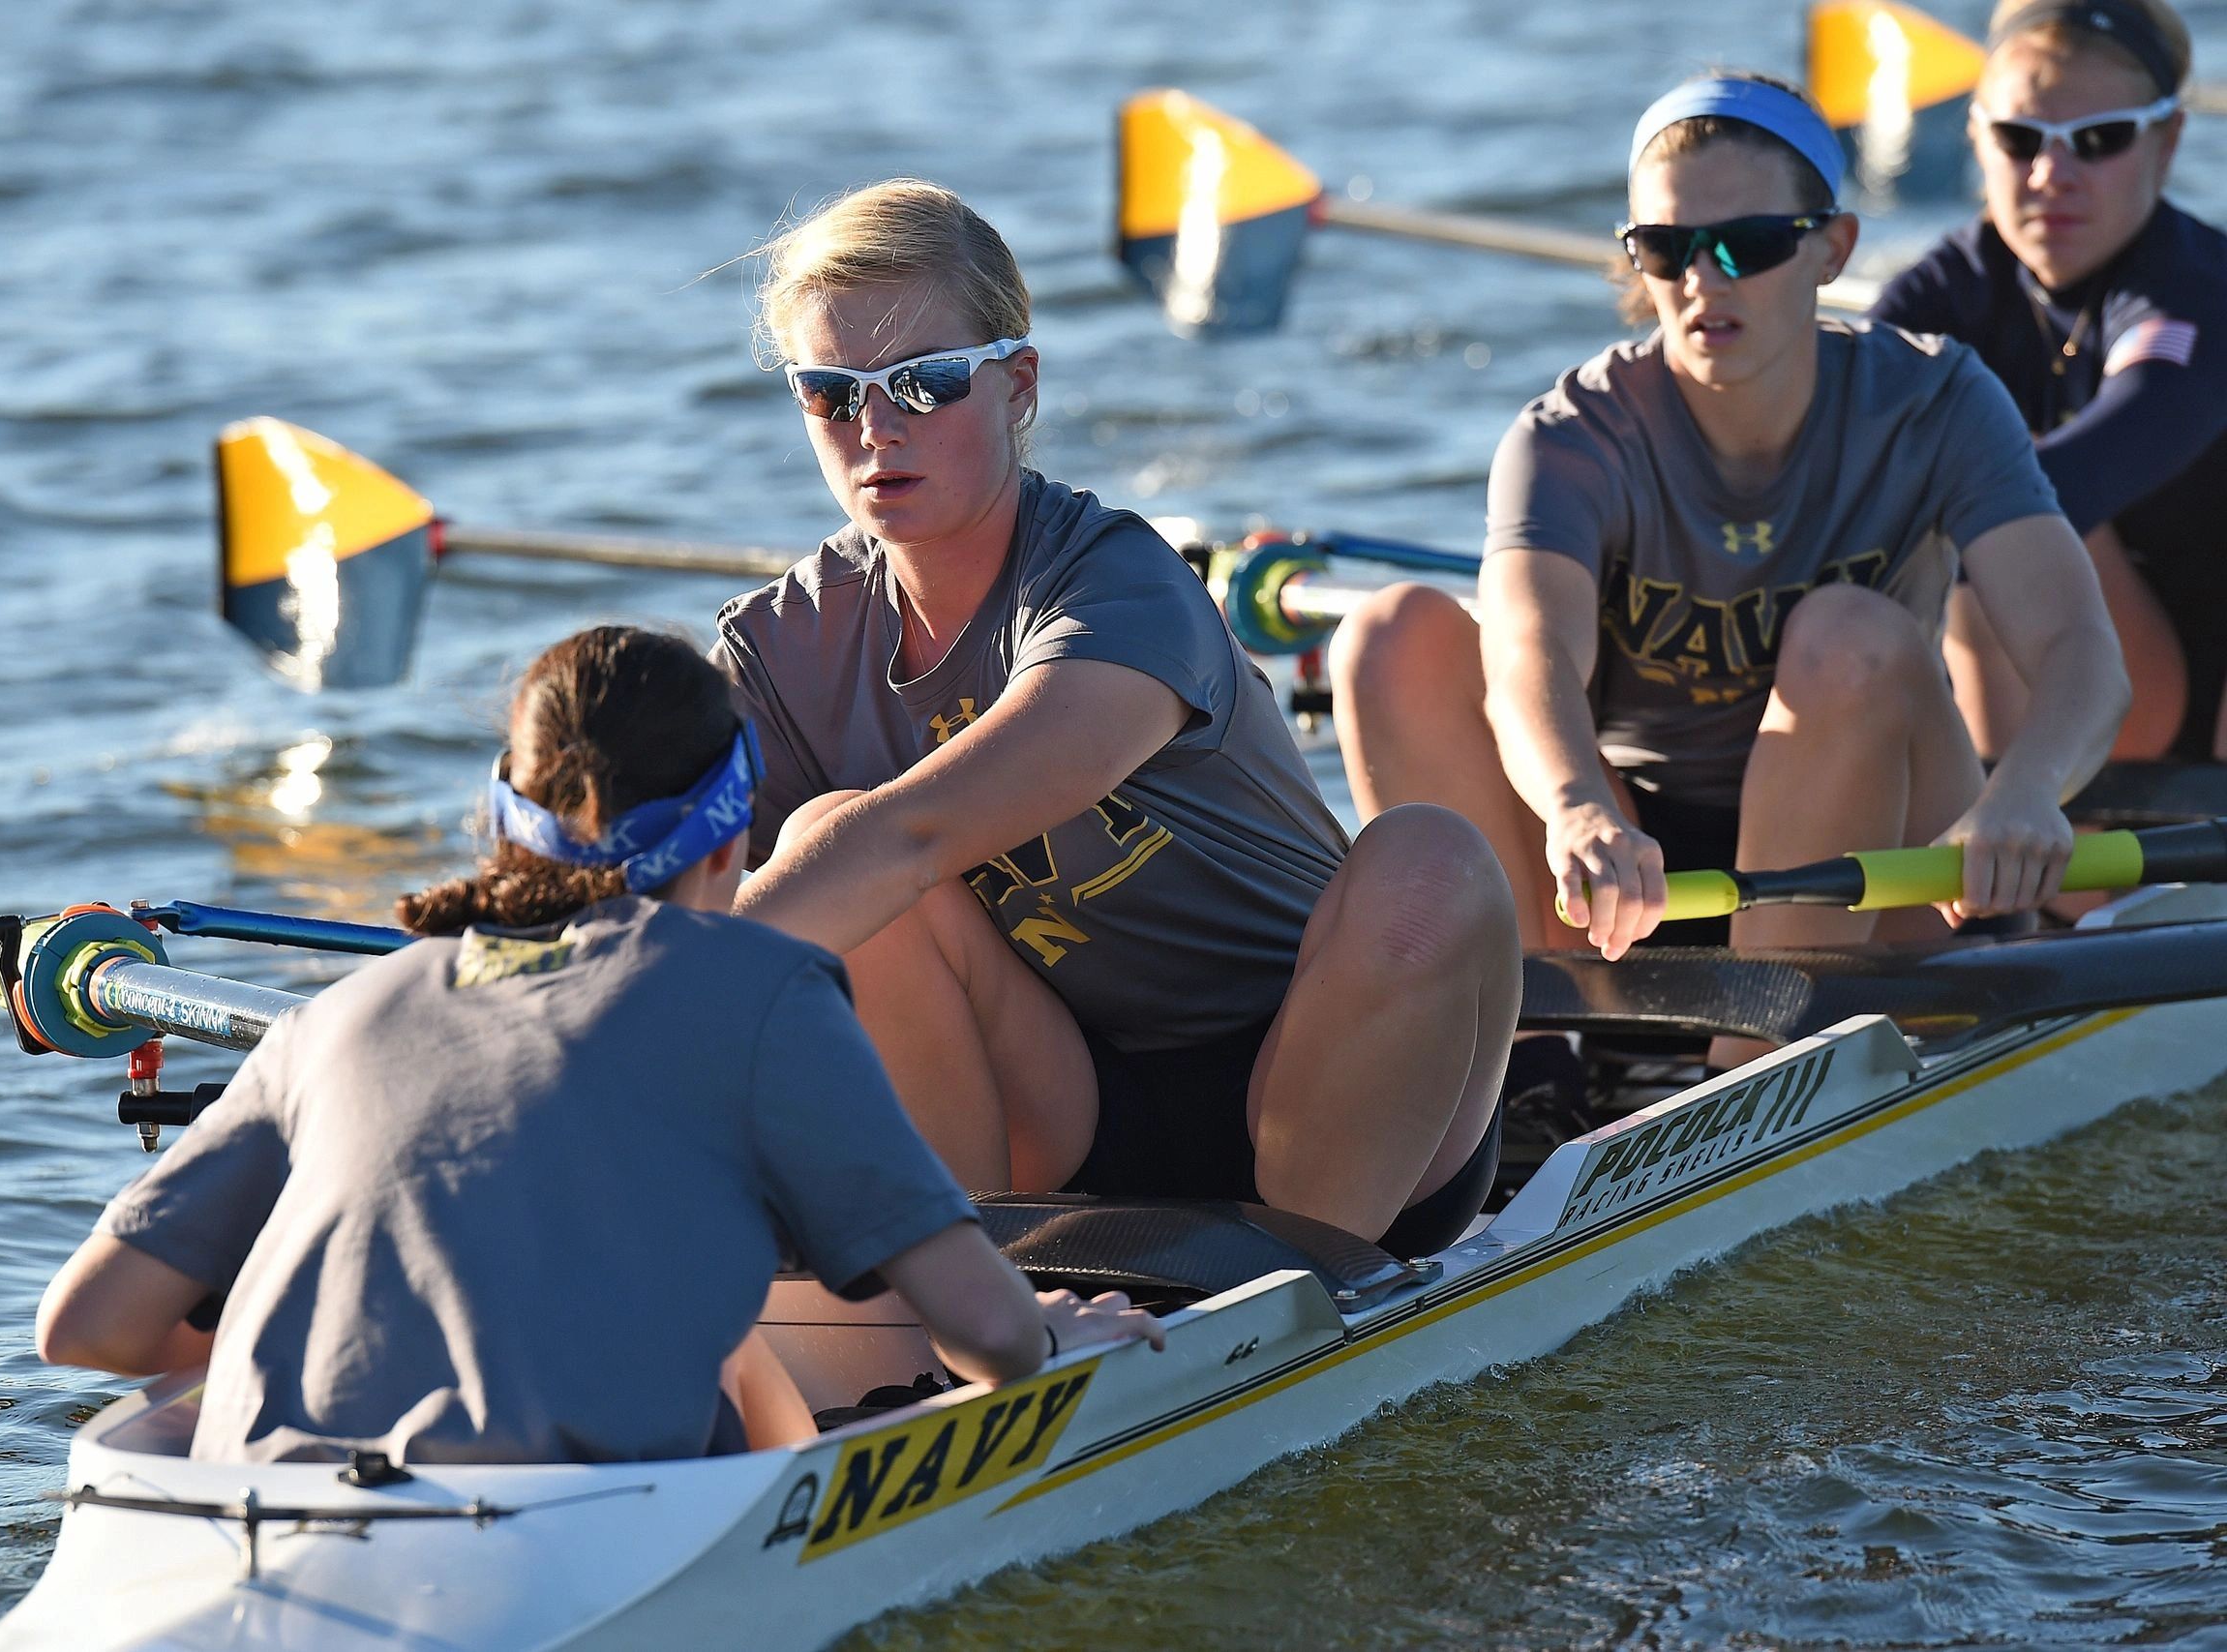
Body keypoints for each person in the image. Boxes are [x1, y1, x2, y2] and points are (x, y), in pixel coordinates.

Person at [36, 626, 1161, 1465]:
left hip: (243, 1517)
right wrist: (1054, 1334)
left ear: (496, 826)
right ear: (730, 844)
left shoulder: (332, 1017)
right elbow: (987, 1338)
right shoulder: (757, 989)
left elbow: (86, 1328)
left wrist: (363, 1315)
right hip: (566, 1549)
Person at [710, 180, 1519, 1258]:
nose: (876, 429)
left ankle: (1308, 1292)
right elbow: (645, 867)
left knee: (1431, 858)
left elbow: (917, 835)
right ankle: (974, 1296)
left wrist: (643, 1006)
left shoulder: (1118, 586)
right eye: (831, 393)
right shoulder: (778, 647)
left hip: (1339, 1095)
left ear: (1016, 386)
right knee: (822, 855)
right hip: (1063, 1116)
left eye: (924, 382)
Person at [1328, 75, 2127, 1061]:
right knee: (1389, 633)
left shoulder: (1937, 403)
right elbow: (1528, 657)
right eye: (1665, 249)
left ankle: (1743, 1079)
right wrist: (1576, 806)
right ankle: (1523, 1052)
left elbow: (2081, 653)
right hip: (1640, 876)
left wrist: (2026, 792)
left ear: (1830, 249)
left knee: (1848, 634)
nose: (1705, 281)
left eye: (1747, 246)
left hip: (1885, 880)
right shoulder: (1572, 437)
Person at [1869, 0, 2227, 763]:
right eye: (2019, 139)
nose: (2051, 175)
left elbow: (2104, 455)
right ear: (1976, 135)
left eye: (2098, 142)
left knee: (1993, 477)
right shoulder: (1937, 297)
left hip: (2194, 718)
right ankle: (2024, 865)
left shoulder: (2195, 295)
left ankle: (2029, 863)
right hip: (2066, 705)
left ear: (2166, 142)